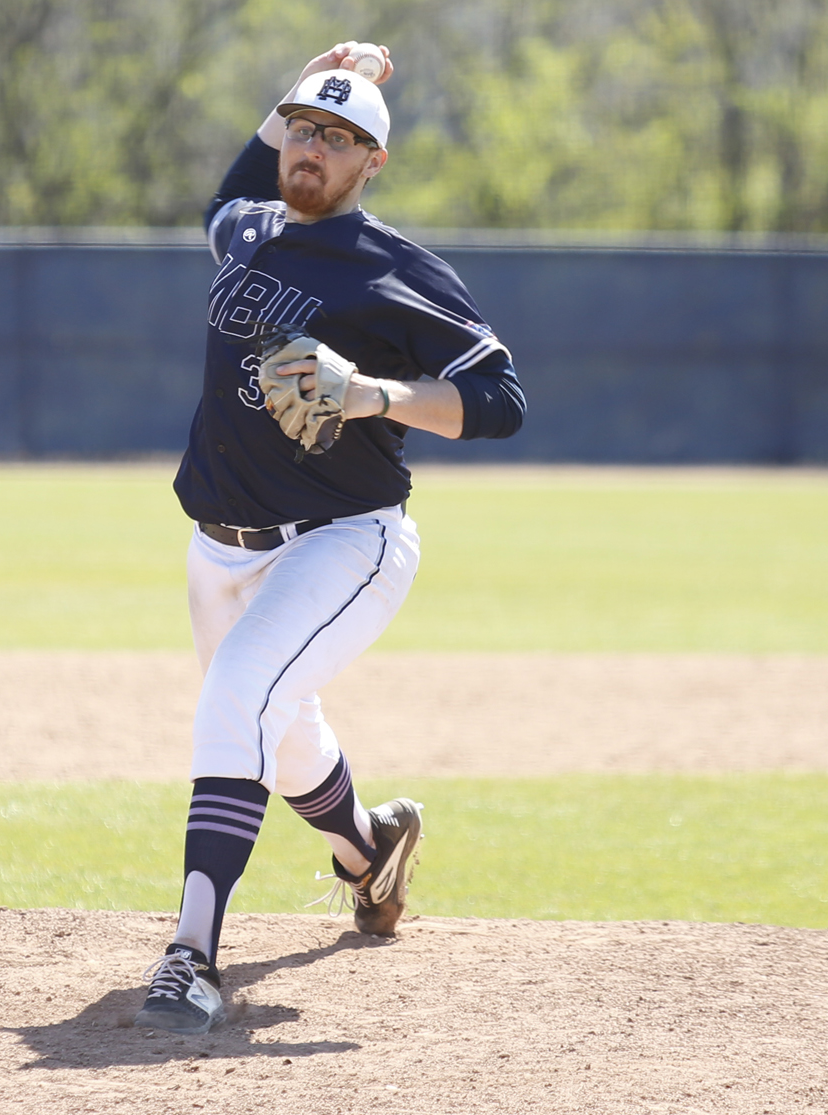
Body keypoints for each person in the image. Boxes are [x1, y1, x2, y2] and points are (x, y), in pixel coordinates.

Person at [133, 42, 527, 1035]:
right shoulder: (255, 230)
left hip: (342, 540)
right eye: (302, 128)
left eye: (338, 137)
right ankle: (367, 849)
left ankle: (192, 955)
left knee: (237, 699)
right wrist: (300, 85)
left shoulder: (394, 270)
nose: (311, 149)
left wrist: (372, 395)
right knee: (280, 722)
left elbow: (500, 399)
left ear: (370, 163)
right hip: (218, 547)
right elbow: (224, 192)